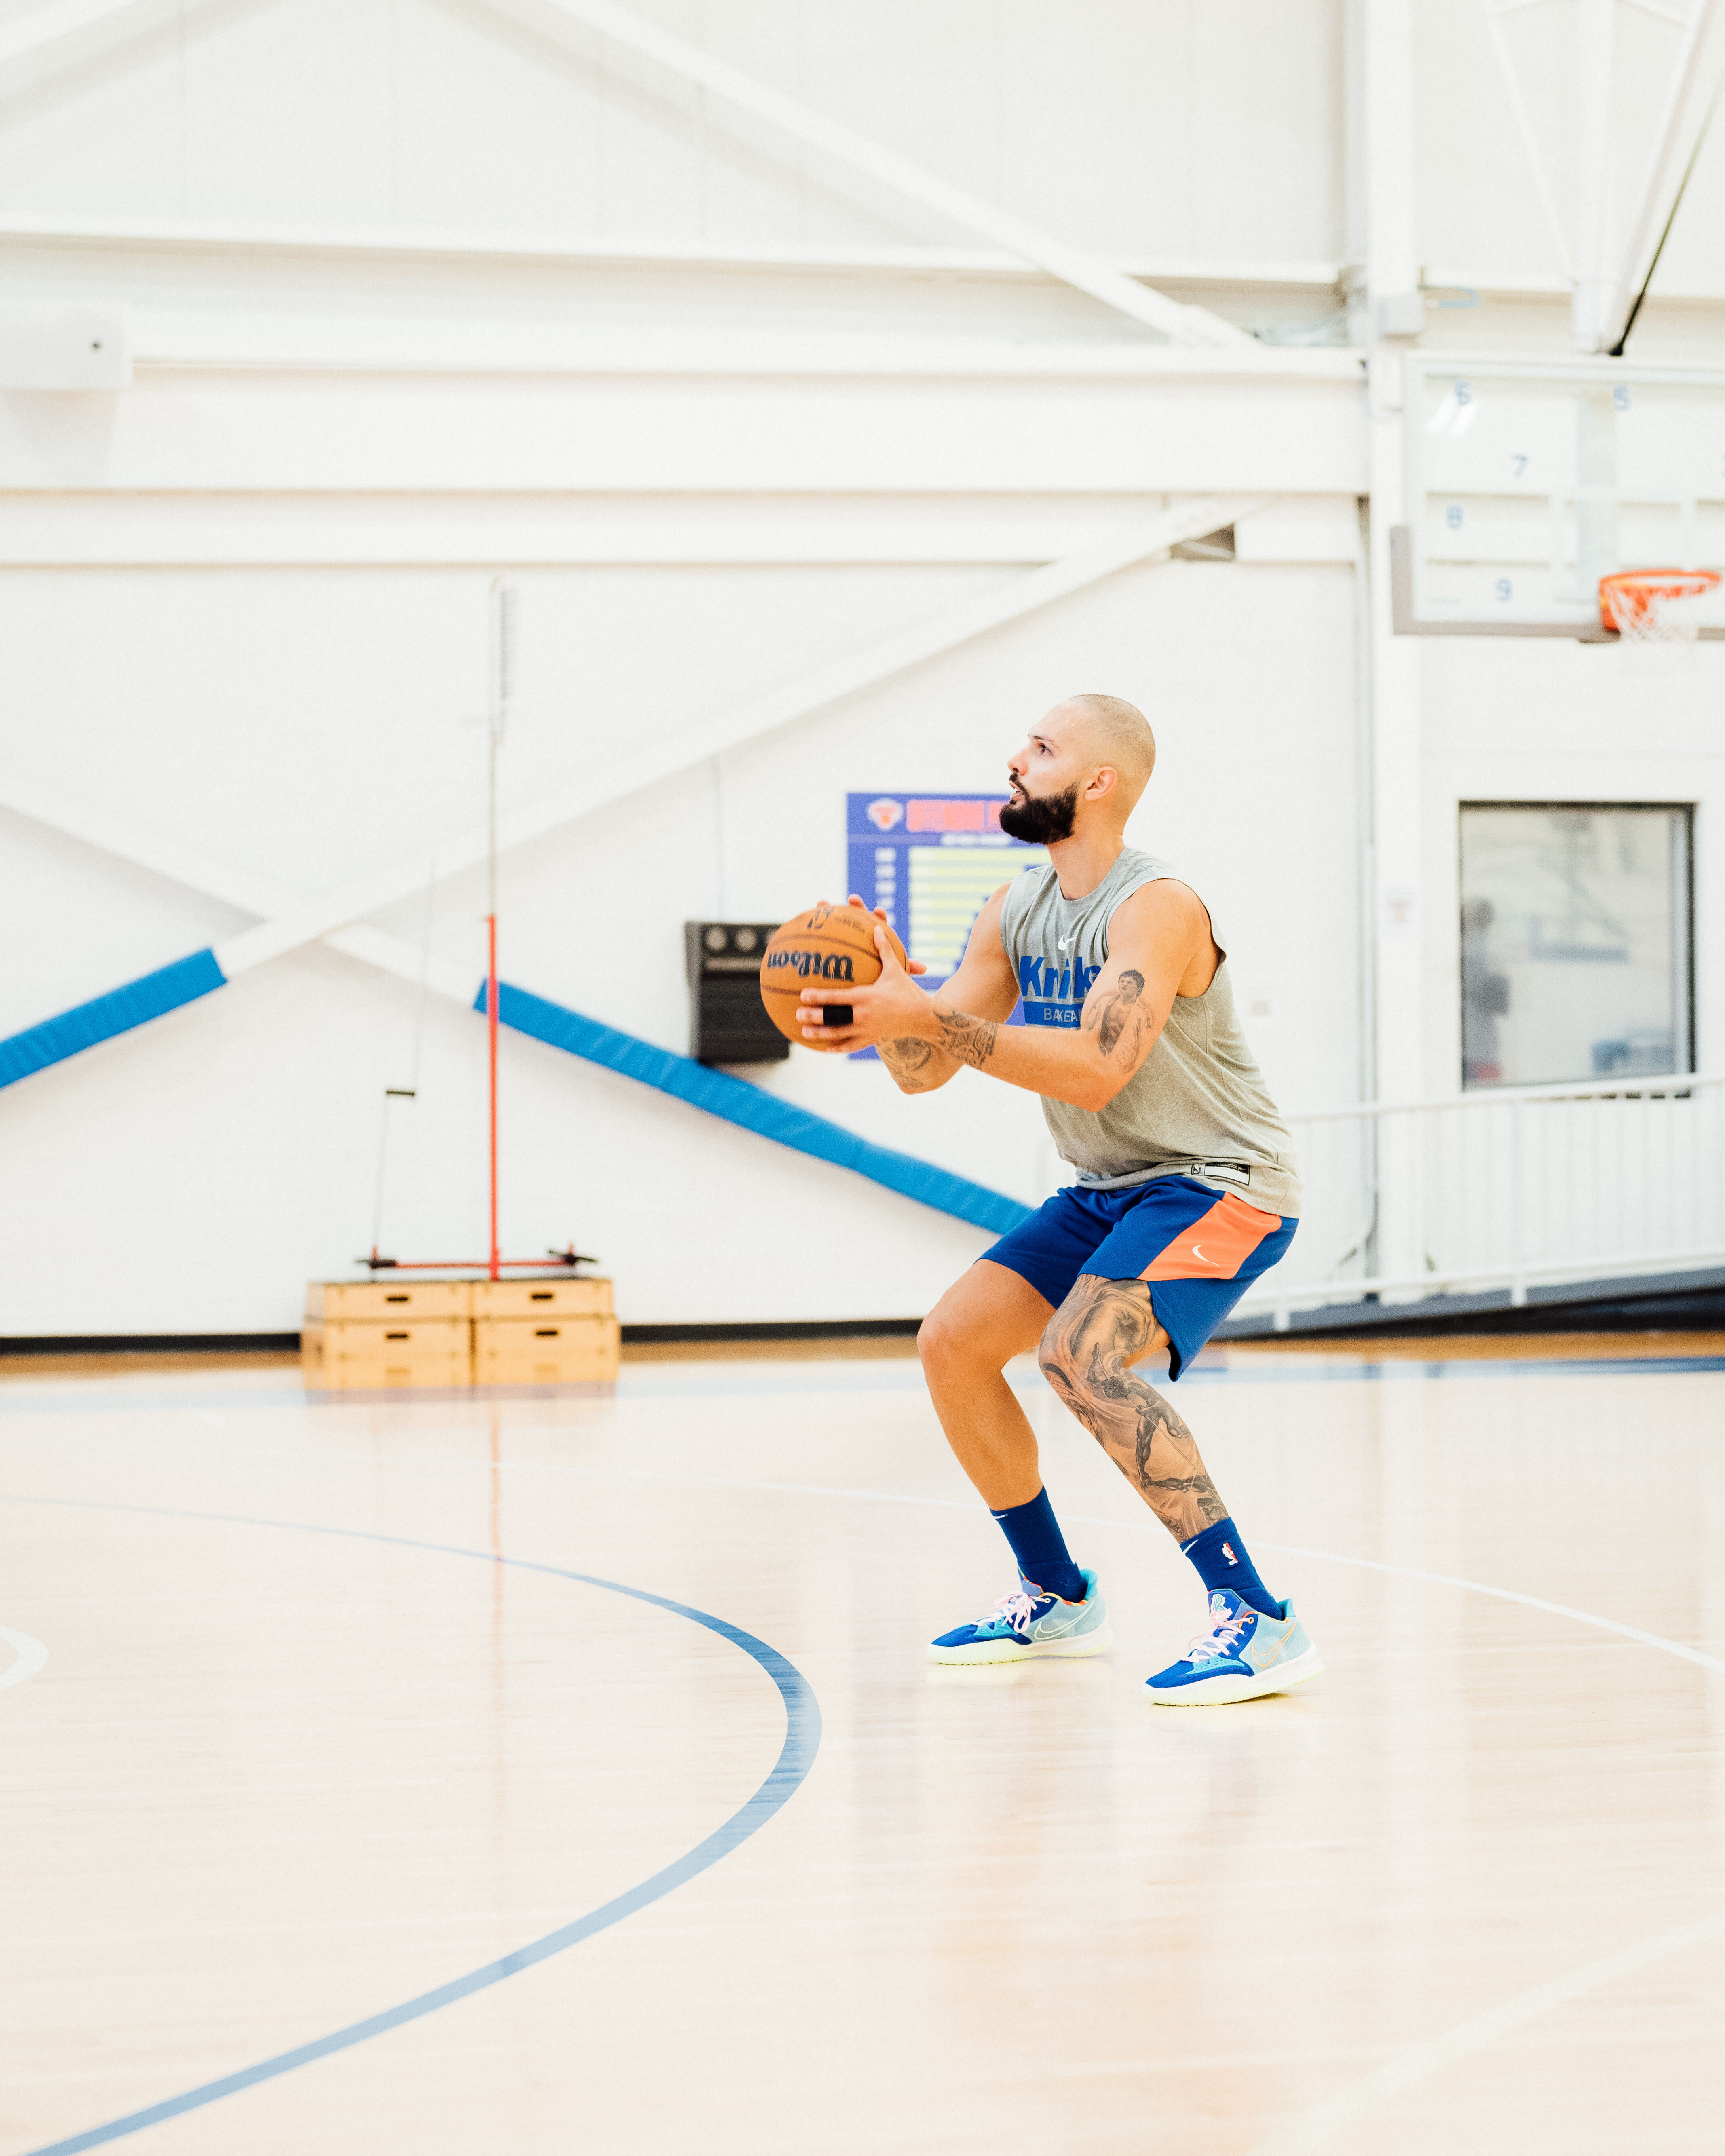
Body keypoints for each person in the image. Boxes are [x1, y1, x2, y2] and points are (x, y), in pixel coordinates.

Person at [795, 694, 1320, 1704]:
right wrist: (888, 1005)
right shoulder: (1013, 906)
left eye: (1040, 748)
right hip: (1108, 1188)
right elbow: (924, 1071)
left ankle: (1257, 1620)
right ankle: (1057, 1593)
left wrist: (926, 1019)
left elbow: (1094, 1071)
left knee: (1078, 1355)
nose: (1015, 760)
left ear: (1098, 781)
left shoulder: (1154, 906)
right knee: (952, 1344)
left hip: (1221, 1181)